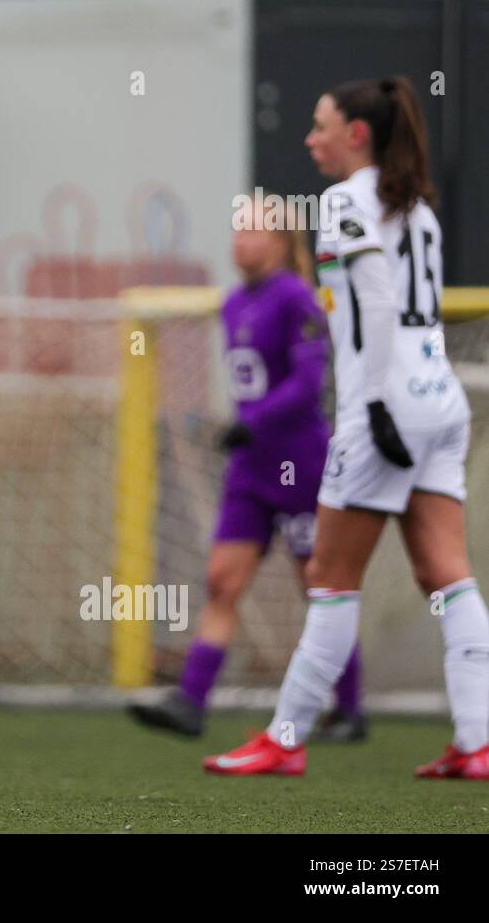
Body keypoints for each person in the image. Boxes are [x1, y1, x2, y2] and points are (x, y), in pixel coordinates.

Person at [204, 77, 489, 778]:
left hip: (384, 407)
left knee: (330, 576)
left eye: (320, 125)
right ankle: (478, 742)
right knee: (446, 574)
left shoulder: (343, 201)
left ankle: (287, 737)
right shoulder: (415, 205)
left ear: (356, 134)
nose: (310, 138)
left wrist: (381, 408)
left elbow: (377, 300)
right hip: (442, 398)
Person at [129, 201, 366, 740]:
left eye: (254, 229)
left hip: (299, 461)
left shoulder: (297, 298)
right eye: (238, 228)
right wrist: (246, 429)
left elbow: (307, 384)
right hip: (251, 466)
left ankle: (350, 709)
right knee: (221, 581)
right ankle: (191, 701)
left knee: (319, 585)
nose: (240, 239)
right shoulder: (234, 302)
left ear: (283, 241)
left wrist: (253, 421)